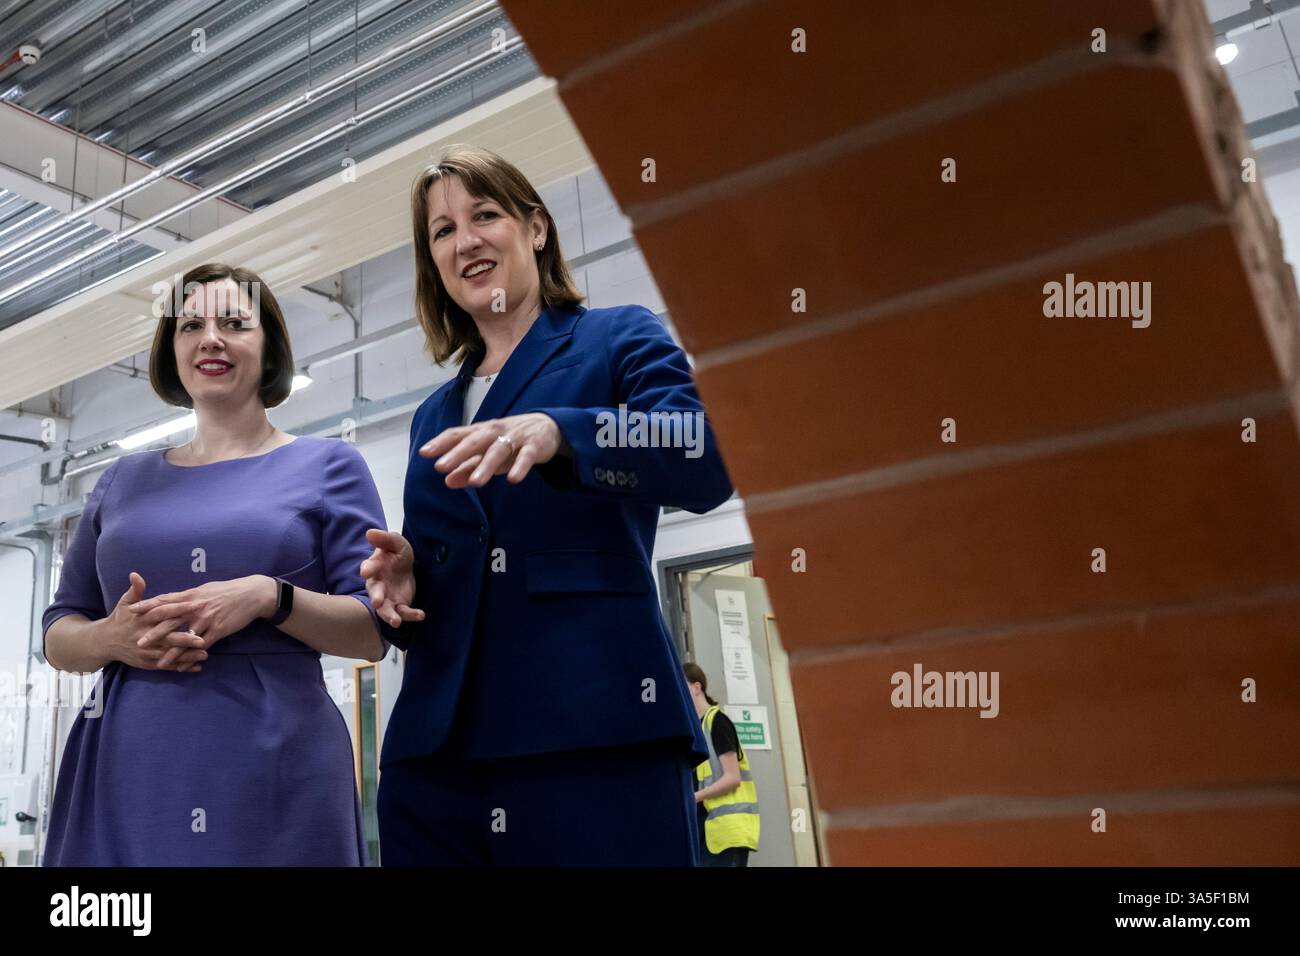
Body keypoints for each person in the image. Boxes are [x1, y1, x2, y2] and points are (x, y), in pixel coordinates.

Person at [362, 144, 734, 865]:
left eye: (485, 214)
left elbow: (703, 456)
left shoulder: (617, 337)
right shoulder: (432, 415)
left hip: (592, 730)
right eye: (441, 231)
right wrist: (409, 579)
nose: (464, 240)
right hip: (437, 760)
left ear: (536, 227)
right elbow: (452, 575)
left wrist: (563, 432)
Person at [41, 263, 390, 866]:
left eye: (234, 322)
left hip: (275, 763)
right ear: (170, 349)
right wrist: (111, 638)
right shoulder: (122, 480)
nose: (211, 338)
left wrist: (267, 596)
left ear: (270, 346)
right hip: (132, 757)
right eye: (190, 325)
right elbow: (58, 633)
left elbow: (373, 631)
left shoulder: (329, 466)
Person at [683, 663, 760, 866]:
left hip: (728, 830)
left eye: (682, 687)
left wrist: (693, 797)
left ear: (696, 687)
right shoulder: (695, 729)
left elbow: (732, 778)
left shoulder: (717, 722)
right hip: (708, 830)